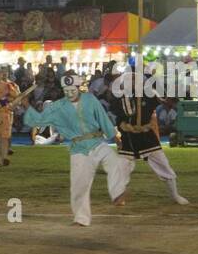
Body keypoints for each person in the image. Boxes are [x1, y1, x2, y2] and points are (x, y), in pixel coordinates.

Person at [18, 72, 128, 226]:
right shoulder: (58, 106)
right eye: (66, 90)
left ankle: (118, 194)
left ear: (78, 87)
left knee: (114, 161)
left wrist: (116, 138)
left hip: (97, 142)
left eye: (73, 89)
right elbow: (38, 120)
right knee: (78, 185)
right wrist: (26, 105)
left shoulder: (90, 99)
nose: (70, 93)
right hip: (78, 147)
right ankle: (81, 218)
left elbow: (103, 119)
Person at [112, 67, 189, 206]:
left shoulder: (150, 94)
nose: (132, 81)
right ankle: (119, 195)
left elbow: (168, 101)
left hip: (147, 136)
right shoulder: (121, 97)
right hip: (129, 137)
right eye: (129, 78)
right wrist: (122, 128)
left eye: (135, 78)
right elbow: (119, 117)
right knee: (121, 168)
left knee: (164, 165)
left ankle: (175, 195)